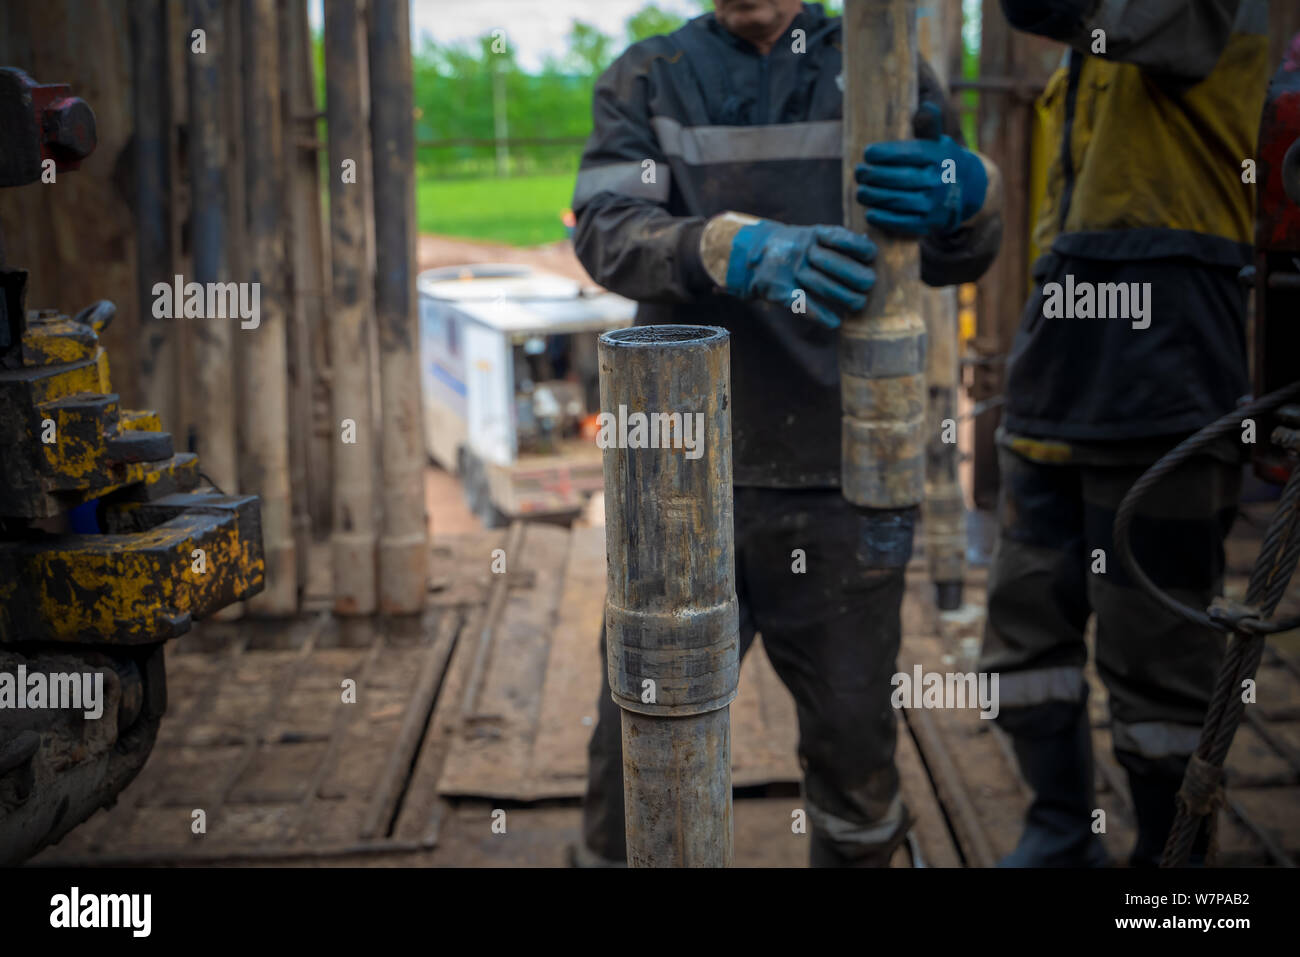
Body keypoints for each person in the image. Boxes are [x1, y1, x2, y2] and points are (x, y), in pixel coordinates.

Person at [570, 0, 1002, 866]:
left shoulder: (880, 66)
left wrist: (968, 197)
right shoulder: (651, 77)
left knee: (853, 740)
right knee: (638, 736)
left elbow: (954, 256)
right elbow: (607, 230)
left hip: (841, 473)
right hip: (678, 475)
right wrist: (738, 249)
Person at [981, 0, 1270, 866]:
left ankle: (1170, 864)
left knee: (1159, 650)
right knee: (1025, 623)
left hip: (1167, 353)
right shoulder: (1081, 61)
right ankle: (1061, 828)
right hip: (1058, 353)